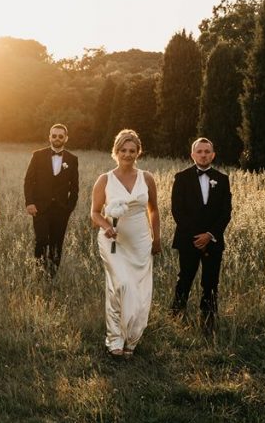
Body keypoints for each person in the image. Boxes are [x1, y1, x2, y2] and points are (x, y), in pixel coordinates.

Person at [90, 129, 161, 359]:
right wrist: (106, 226)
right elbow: (94, 212)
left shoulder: (147, 178)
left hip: (141, 242)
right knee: (120, 286)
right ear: (116, 151)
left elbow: (154, 210)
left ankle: (131, 339)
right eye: (123, 150)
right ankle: (114, 339)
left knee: (140, 291)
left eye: (132, 151)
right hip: (114, 241)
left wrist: (156, 238)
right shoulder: (105, 179)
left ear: (138, 152)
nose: (127, 155)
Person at [169, 137, 232, 335]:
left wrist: (210, 235)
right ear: (192, 154)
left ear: (213, 155)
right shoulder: (181, 177)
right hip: (188, 239)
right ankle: (175, 319)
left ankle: (208, 322)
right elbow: (177, 210)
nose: (203, 155)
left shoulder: (222, 179)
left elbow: (226, 212)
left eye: (207, 151)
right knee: (185, 278)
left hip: (213, 240)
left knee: (211, 282)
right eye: (200, 151)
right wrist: (197, 236)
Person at [23, 123, 80, 274]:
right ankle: (39, 273)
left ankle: (52, 276)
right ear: (49, 137)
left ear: (66, 138)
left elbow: (75, 187)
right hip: (40, 207)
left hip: (61, 209)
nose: (57, 138)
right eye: (54, 135)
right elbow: (28, 180)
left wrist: (69, 208)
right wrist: (29, 203)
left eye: (60, 136)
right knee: (41, 240)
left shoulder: (72, 159)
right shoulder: (38, 155)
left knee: (57, 243)